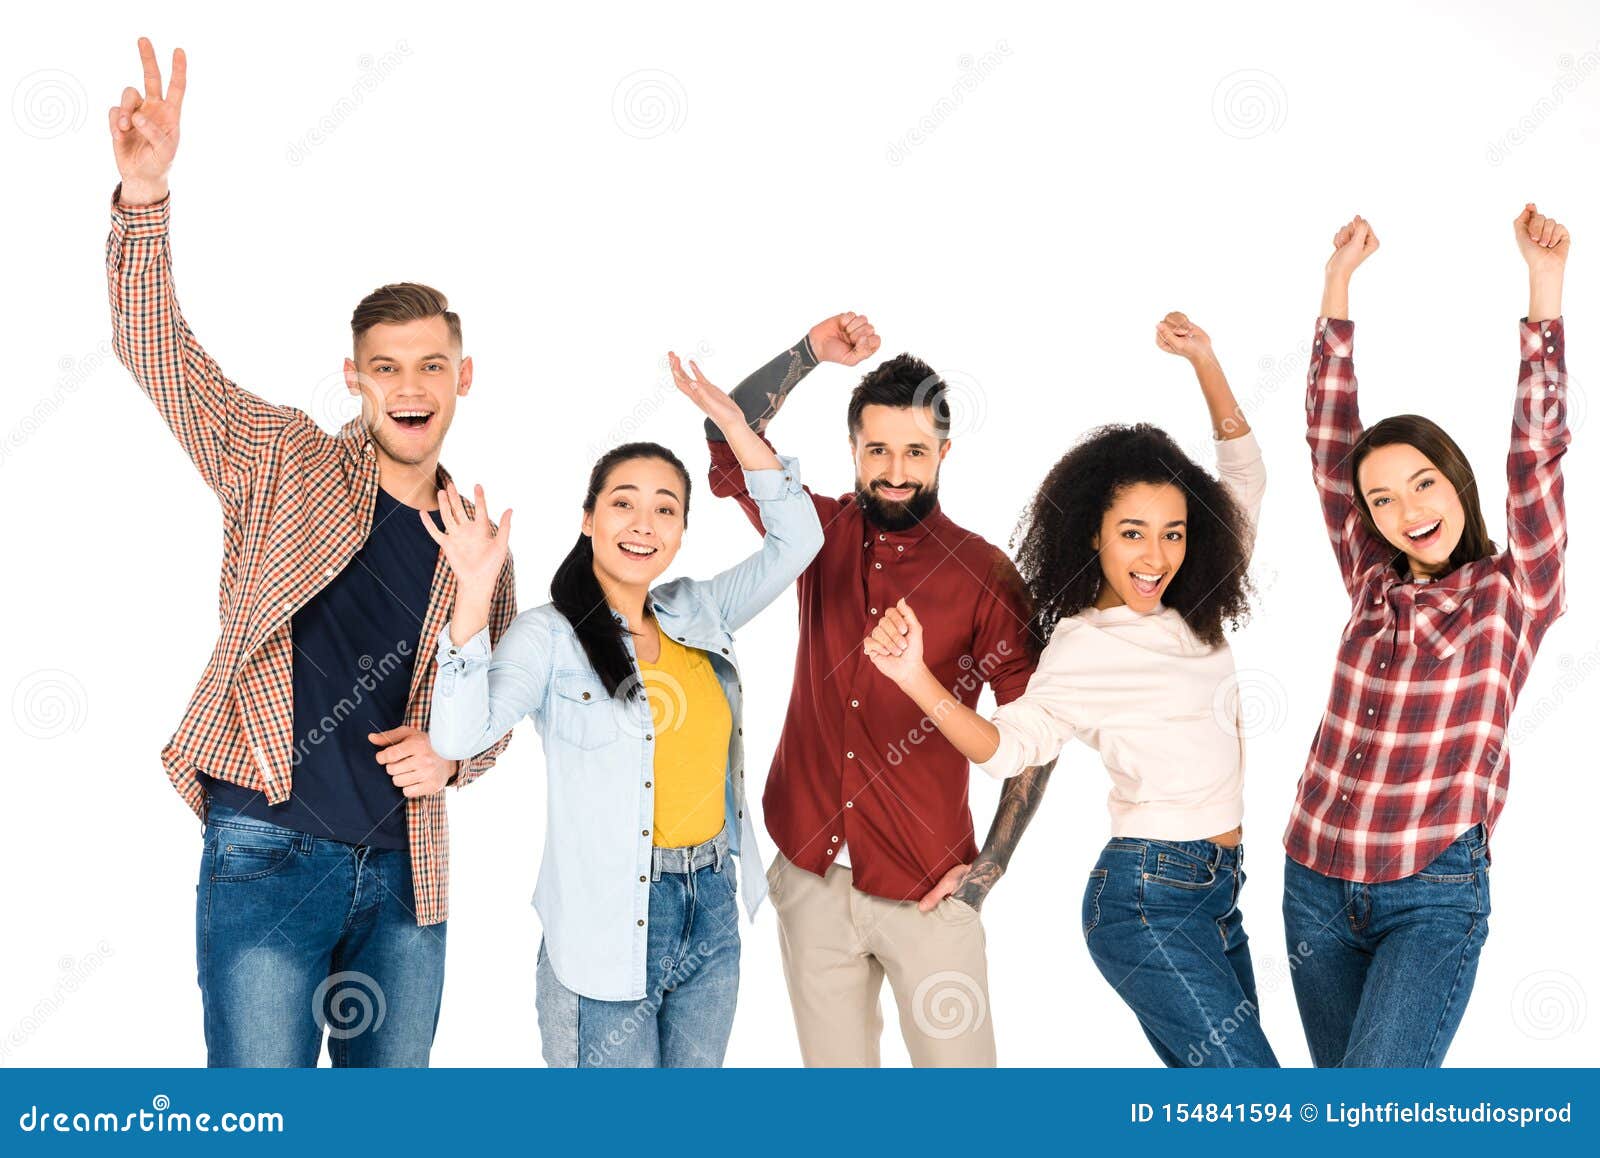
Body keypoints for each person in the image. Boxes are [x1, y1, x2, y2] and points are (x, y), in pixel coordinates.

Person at [106, 39, 517, 1066]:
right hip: (267, 851)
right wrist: (143, 195)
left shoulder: (477, 538)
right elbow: (163, 358)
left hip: (403, 877)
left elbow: (495, 703)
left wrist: (459, 755)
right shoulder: (284, 456)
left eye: (430, 365)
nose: (409, 386)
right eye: (386, 369)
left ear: (464, 376)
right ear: (356, 378)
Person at [862, 313, 1278, 1067]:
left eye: (1173, 532)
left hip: (1219, 896)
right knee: (1258, 1100)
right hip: (1146, 899)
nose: (1155, 556)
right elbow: (1009, 749)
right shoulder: (1084, 643)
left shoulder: (1199, 597)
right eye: (1132, 533)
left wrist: (1205, 361)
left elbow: (1245, 474)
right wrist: (916, 678)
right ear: (1094, 533)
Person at [426, 354, 824, 1067]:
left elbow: (801, 539)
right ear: (588, 517)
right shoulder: (548, 635)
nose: (644, 524)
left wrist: (733, 424)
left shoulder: (699, 609)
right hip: (608, 921)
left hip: (712, 907)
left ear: (680, 533)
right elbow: (457, 736)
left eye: (665, 508)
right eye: (623, 502)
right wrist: (474, 590)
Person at [707, 316, 1055, 1067]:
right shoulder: (814, 532)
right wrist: (808, 354)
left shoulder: (984, 574)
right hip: (809, 878)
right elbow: (725, 439)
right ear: (854, 449)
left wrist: (988, 869)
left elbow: (1038, 730)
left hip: (931, 891)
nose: (895, 469)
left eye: (915, 451)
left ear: (944, 453)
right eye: (877, 450)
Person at [1281, 208, 1571, 1067]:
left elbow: (1537, 459)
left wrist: (1544, 295)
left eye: (1423, 484)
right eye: (1382, 501)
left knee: (1377, 1112)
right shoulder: (1369, 578)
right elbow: (1330, 441)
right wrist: (1336, 287)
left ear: (1456, 483)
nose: (1408, 512)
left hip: (1431, 892)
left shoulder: (1514, 592)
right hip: (1314, 883)